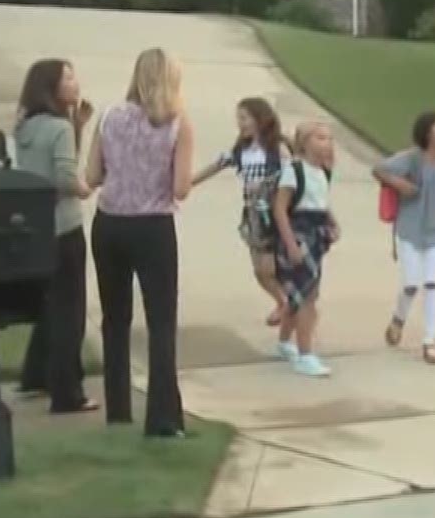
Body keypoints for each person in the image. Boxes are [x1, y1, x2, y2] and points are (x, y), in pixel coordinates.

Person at [85, 47, 193, 437]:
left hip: (109, 224)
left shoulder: (109, 116)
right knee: (161, 323)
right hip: (153, 227)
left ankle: (118, 411)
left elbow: (93, 174)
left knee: (115, 320)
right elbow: (181, 188)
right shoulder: (177, 124)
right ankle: (162, 418)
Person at [13, 58, 97, 414]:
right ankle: (67, 393)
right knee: (70, 312)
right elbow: (63, 175)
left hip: (38, 227)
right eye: (67, 78)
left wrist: (77, 126)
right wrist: (83, 188)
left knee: (49, 307)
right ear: (51, 87)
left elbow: (45, 166)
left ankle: (35, 376)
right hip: (65, 227)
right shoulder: (59, 128)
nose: (75, 82)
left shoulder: (26, 127)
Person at [192, 97, 289, 329]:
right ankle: (285, 301)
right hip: (254, 215)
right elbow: (216, 165)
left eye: (245, 118)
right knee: (260, 271)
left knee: (270, 267)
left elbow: (292, 176)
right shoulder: (241, 150)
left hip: (274, 213)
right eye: (239, 119)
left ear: (260, 119)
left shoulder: (278, 149)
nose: (241, 124)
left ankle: (289, 304)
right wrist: (186, 184)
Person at [374, 111, 435, 364]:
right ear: (427, 131)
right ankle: (399, 318)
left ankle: (429, 342)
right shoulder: (412, 159)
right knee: (411, 283)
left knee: (432, 283)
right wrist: (398, 184)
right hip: (409, 229)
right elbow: (379, 169)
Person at [273, 120, 340, 378]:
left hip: (316, 235)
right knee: (307, 298)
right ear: (304, 142)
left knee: (302, 294)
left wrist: (333, 223)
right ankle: (305, 355)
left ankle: (284, 342)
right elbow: (280, 209)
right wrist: (290, 244)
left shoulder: (322, 171)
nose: (327, 143)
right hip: (298, 235)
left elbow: (320, 203)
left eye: (330, 138)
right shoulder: (294, 170)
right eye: (320, 138)